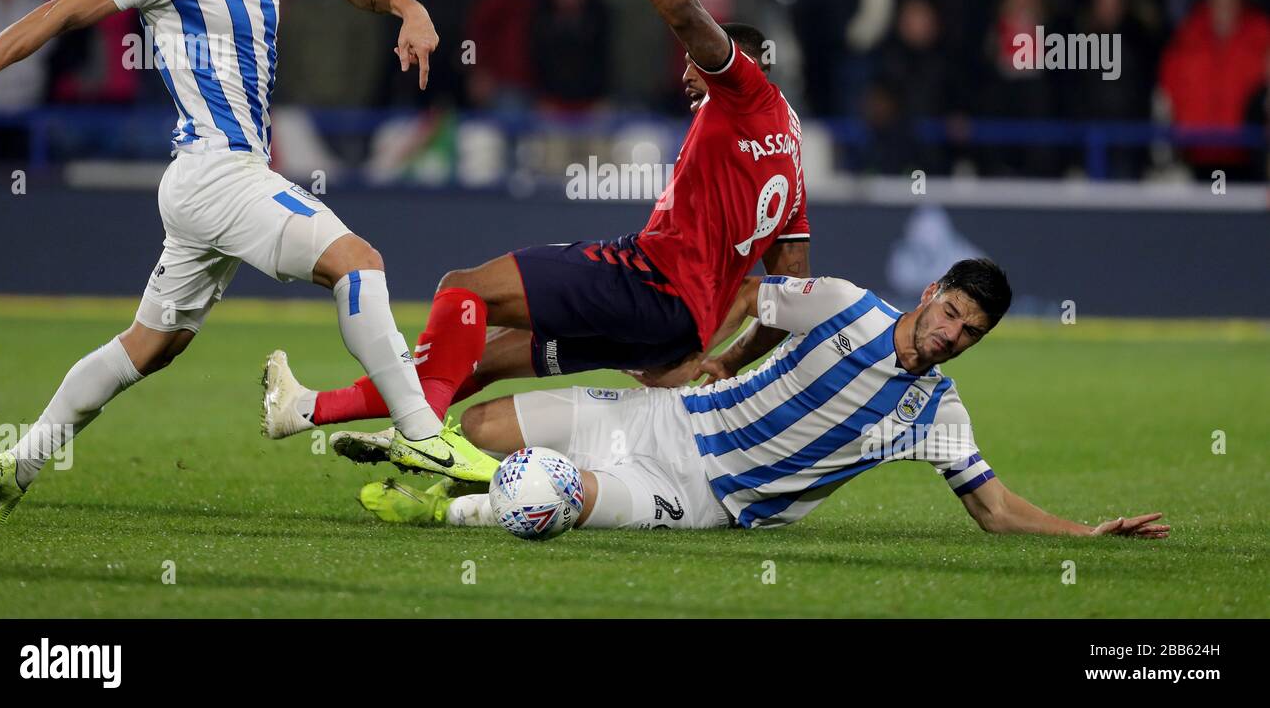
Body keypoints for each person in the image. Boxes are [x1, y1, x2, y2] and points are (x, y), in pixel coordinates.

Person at [0, 0, 495, 527]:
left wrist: (410, 8)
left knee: (149, 346)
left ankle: (11, 468)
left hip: (212, 182)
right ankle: (424, 436)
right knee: (358, 264)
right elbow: (57, 13)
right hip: (217, 173)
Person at [259, 0, 811, 462]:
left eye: (695, 66)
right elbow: (786, 298)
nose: (686, 76)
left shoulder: (740, 90)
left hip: (646, 282)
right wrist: (720, 358)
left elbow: (683, 11)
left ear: (737, 67)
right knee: (486, 353)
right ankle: (306, 410)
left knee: (462, 290)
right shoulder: (790, 156)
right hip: (676, 332)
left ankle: (422, 437)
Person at [355, 259, 1170, 540]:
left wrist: (1086, 532)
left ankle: (438, 510)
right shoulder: (844, 302)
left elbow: (993, 510)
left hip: (698, 494)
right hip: (668, 417)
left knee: (553, 493)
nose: (952, 336)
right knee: (482, 424)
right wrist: (723, 358)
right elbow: (752, 295)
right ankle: (460, 476)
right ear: (931, 295)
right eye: (951, 314)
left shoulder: (936, 414)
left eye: (970, 334)